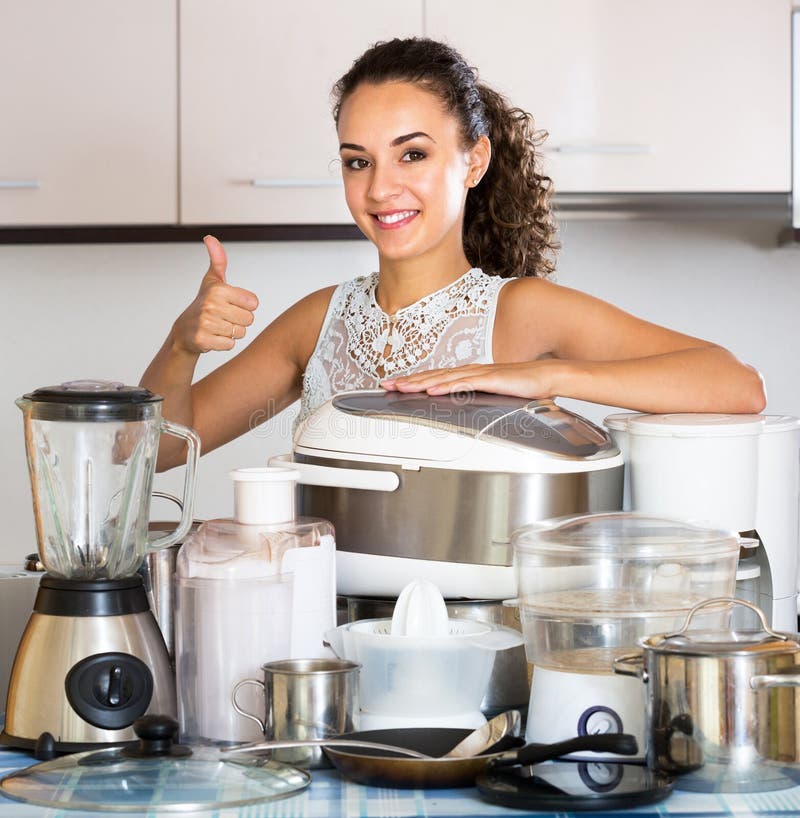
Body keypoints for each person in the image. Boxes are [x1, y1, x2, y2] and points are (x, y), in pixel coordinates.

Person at [141, 37, 766, 471]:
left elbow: (735, 385)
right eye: (359, 161)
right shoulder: (318, 323)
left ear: (475, 160)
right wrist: (181, 346)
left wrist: (547, 377)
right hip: (328, 636)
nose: (381, 188)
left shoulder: (524, 313)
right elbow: (160, 449)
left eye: (413, 154)